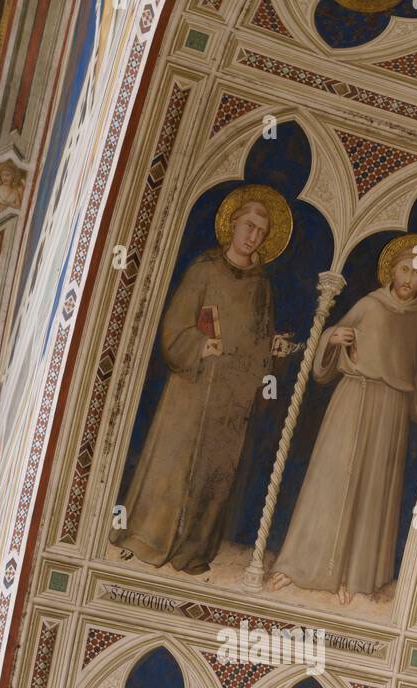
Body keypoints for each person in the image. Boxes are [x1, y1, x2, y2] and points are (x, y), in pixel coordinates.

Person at [111, 184, 296, 576]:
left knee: (216, 471)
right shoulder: (204, 270)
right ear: (232, 225)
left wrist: (273, 350)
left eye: (261, 232)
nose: (253, 237)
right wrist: (199, 345)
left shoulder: (261, 285)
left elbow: (259, 340)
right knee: (174, 462)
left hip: (232, 395)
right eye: (248, 226)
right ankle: (148, 538)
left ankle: (192, 551)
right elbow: (174, 328)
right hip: (192, 389)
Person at [272, 236, 417, 603]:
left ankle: (351, 578)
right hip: (353, 398)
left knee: (372, 490)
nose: (409, 278)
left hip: (392, 411)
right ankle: (297, 567)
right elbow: (323, 362)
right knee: (331, 480)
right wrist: (332, 338)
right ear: (393, 269)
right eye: (405, 269)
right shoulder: (369, 304)